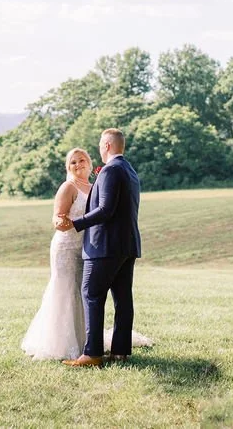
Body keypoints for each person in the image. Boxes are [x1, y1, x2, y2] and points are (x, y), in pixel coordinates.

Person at [58, 128, 142, 367]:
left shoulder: (110, 170)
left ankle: (92, 353)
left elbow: (106, 209)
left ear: (106, 146)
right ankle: (120, 352)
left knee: (92, 295)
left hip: (104, 246)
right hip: (127, 245)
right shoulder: (130, 170)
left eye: (99, 145)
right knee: (123, 299)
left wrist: (76, 223)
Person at [20, 148, 92, 360]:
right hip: (66, 247)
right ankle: (59, 343)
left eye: (81, 160)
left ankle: (84, 340)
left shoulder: (93, 187)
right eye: (73, 162)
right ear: (68, 167)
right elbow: (57, 219)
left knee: (81, 292)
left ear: (89, 162)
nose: (78, 165)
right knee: (65, 290)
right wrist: (70, 223)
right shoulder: (67, 187)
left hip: (85, 248)